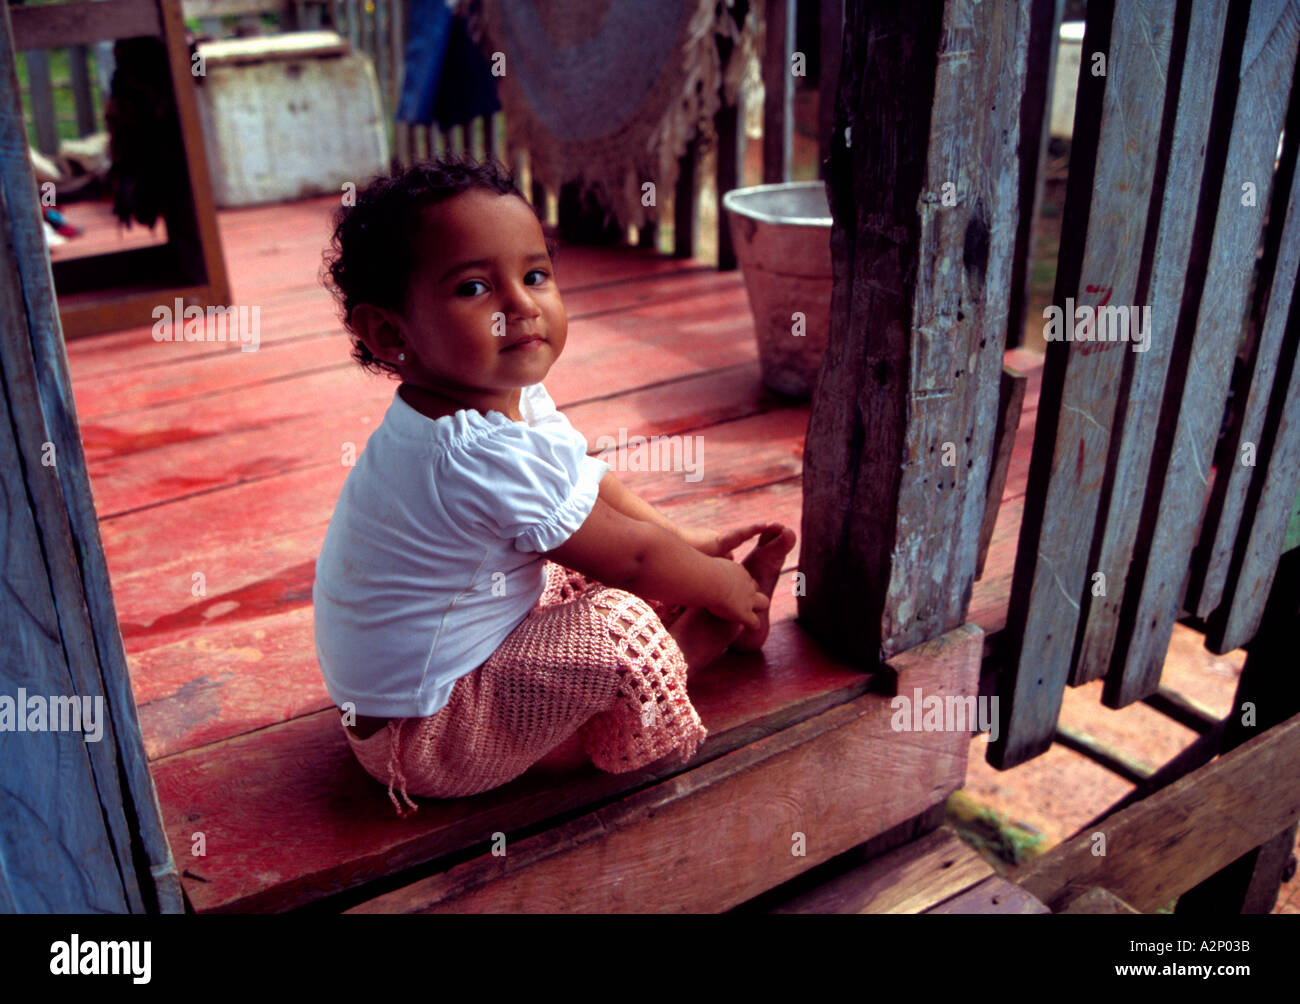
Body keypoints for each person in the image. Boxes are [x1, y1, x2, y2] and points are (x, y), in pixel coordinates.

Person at [315, 155, 795, 817]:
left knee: (577, 569)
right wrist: (721, 584)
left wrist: (694, 543)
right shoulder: (470, 454)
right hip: (427, 738)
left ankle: (718, 609)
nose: (521, 304)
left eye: (534, 275)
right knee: (618, 624)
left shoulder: (501, 397)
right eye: (474, 289)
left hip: (436, 684)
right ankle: (710, 638)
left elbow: (590, 487)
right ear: (391, 333)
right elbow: (631, 556)